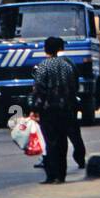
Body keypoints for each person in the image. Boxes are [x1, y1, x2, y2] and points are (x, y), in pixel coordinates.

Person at [30, 37, 79, 184]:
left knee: (50, 142)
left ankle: (52, 174)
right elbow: (74, 87)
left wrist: (35, 109)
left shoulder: (43, 66)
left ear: (46, 49)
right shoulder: (67, 66)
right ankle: (61, 175)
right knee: (62, 141)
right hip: (65, 109)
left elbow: (39, 90)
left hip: (48, 110)